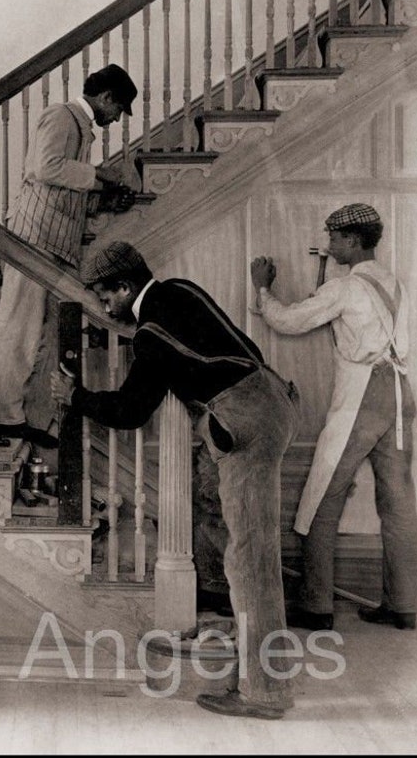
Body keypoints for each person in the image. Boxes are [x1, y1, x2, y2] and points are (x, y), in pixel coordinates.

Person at [51, 241, 301, 720]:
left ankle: (265, 692)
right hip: (275, 398)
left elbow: (130, 411)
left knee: (251, 560)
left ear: (126, 287)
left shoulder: (150, 335)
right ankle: (239, 640)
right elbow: (238, 349)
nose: (103, 306)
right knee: (231, 530)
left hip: (248, 421)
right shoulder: (181, 290)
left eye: (105, 296)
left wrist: (76, 396)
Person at [251, 203, 417, 632]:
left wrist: (263, 289)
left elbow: (288, 321)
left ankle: (316, 607)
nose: (329, 244)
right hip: (400, 397)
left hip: (362, 398)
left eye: (334, 237)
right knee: (399, 504)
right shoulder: (395, 284)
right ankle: (402, 606)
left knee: (322, 498)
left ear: (352, 240)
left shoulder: (345, 288)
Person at [0, 65, 139, 448]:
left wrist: (104, 200)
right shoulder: (62, 116)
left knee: (49, 334)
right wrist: (101, 176)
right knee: (19, 327)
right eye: (118, 109)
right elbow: (45, 168)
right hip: (34, 239)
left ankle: (30, 417)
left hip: (54, 243)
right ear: (106, 97)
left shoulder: (80, 129)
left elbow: (64, 189)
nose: (116, 119)